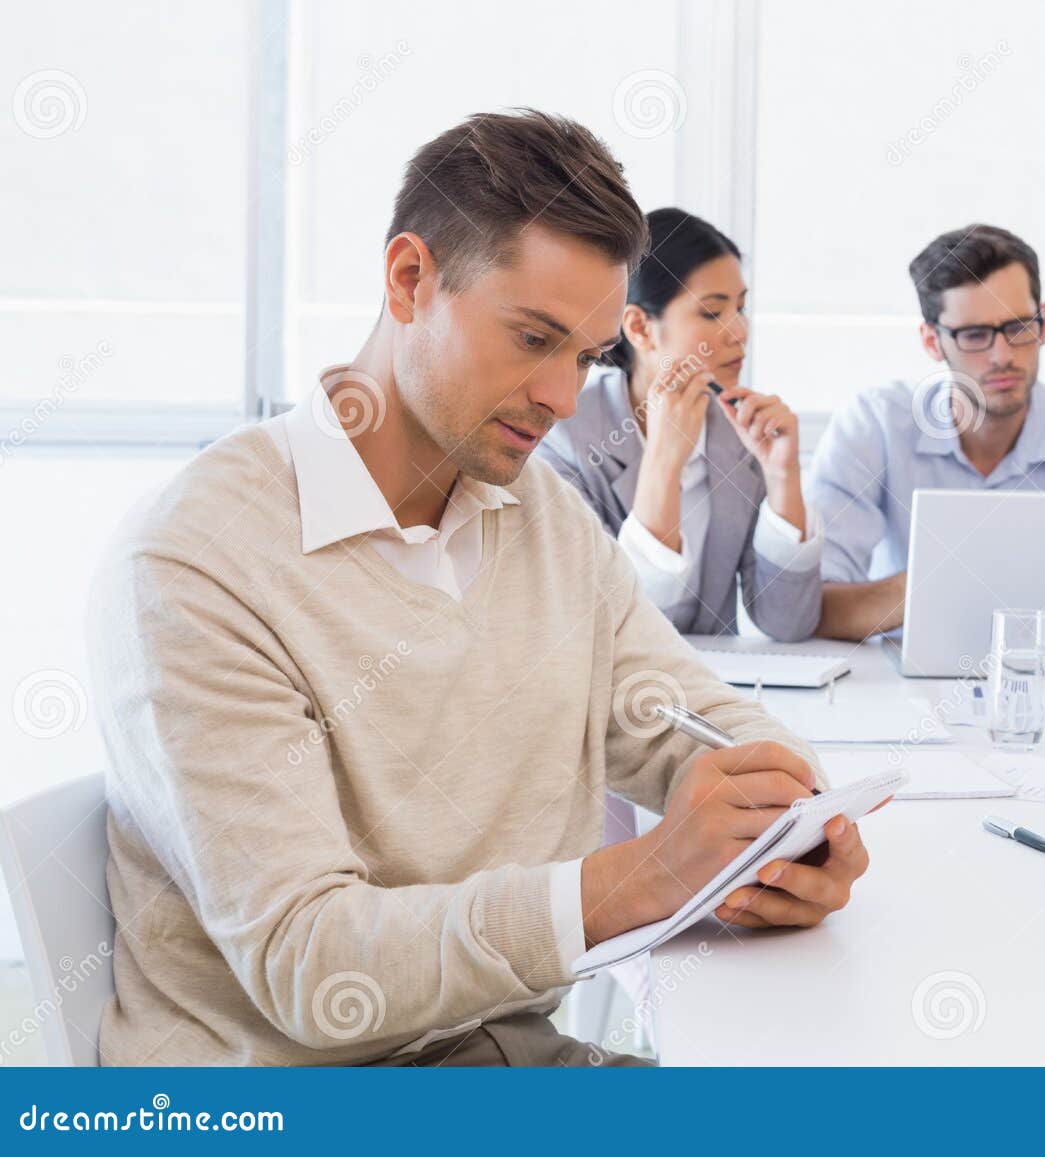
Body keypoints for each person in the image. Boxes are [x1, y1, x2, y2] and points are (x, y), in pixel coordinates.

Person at [86, 110, 873, 1067]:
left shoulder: (534, 513)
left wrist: (790, 827)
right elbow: (312, 964)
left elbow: (689, 719)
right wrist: (643, 875)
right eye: (533, 337)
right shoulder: (197, 562)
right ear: (410, 278)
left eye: (584, 358)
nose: (560, 395)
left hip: (503, 1053)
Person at [808, 223, 1045, 641]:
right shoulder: (874, 423)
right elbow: (813, 608)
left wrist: (974, 576)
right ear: (932, 342)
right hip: (901, 684)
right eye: (974, 335)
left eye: (1020, 327)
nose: (1002, 355)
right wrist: (953, 576)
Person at [537, 208, 820, 641]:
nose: (739, 331)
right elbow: (611, 630)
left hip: (712, 695)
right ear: (639, 328)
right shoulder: (566, 437)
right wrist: (664, 464)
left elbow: (788, 623)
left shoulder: (741, 434)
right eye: (712, 313)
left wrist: (784, 478)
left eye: (741, 309)